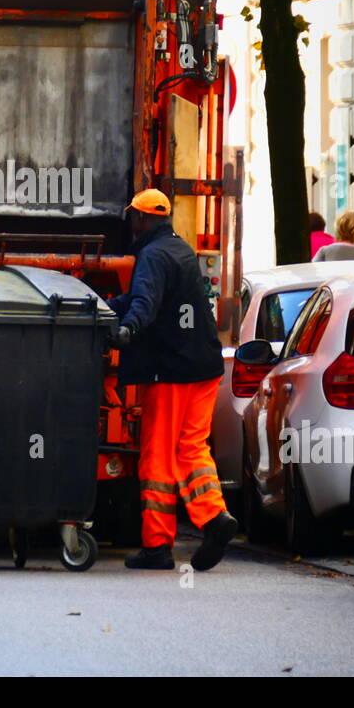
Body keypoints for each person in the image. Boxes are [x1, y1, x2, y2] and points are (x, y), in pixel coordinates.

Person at [108, 188, 238, 571]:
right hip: (204, 367)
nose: (131, 224)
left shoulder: (151, 255)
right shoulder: (179, 248)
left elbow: (144, 303)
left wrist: (126, 330)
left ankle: (157, 546)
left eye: (133, 216)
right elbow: (144, 298)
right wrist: (101, 304)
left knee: (158, 457)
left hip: (171, 372)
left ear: (142, 219)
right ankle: (215, 518)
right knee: (192, 448)